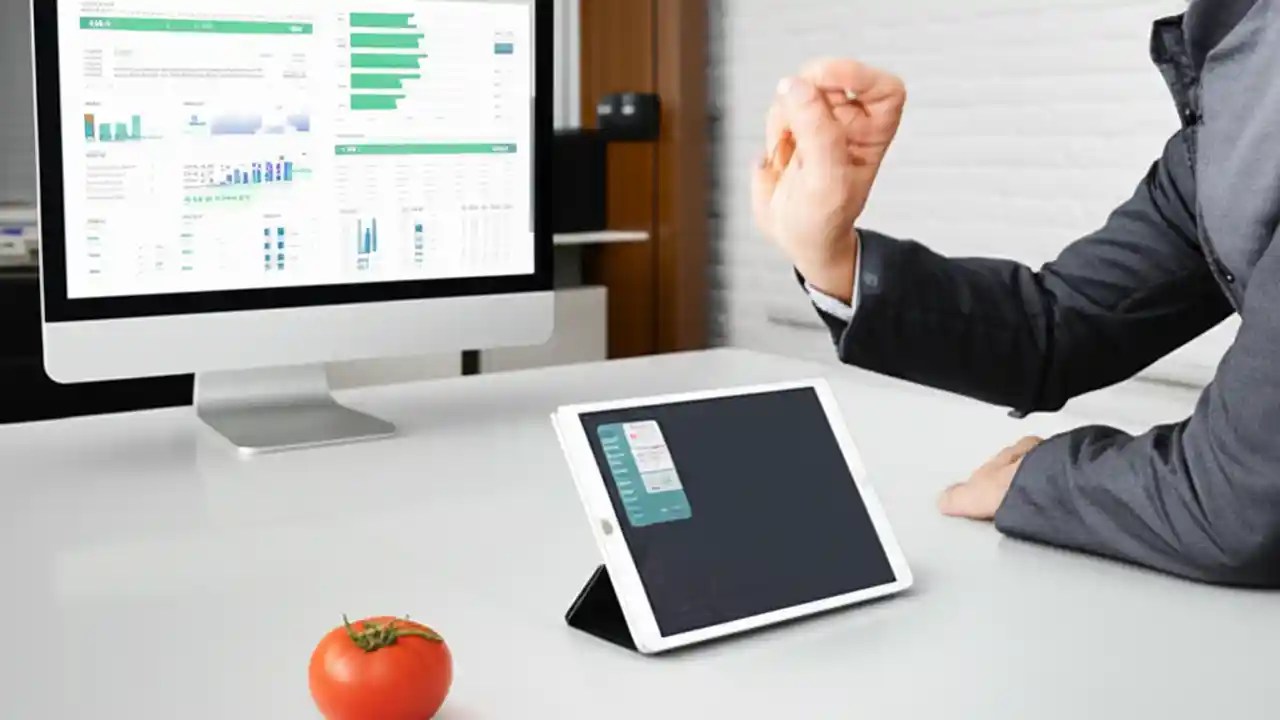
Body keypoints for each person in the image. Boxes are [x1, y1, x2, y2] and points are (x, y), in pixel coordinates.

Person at [752, 0, 1280, 586]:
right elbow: (1057, 324)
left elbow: (1239, 508)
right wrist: (831, 256)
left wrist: (1035, 479)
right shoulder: (1240, 73)